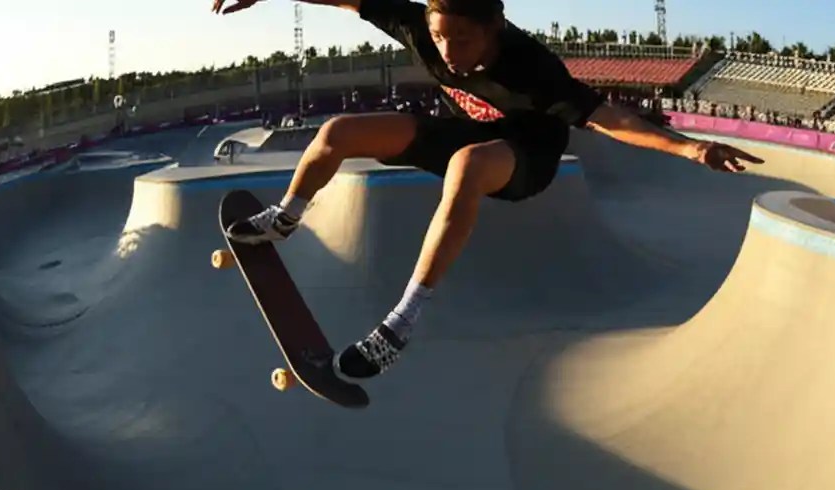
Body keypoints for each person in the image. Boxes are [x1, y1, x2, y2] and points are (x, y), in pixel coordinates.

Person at [210, 0, 764, 380]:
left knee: (468, 167)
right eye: (438, 36)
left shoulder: (533, 70)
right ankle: (287, 216)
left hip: (522, 161)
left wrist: (691, 148)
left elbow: (605, 117)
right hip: (463, 133)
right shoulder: (423, 27)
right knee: (338, 134)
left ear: (495, 26)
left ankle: (399, 326)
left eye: (462, 40)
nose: (447, 51)